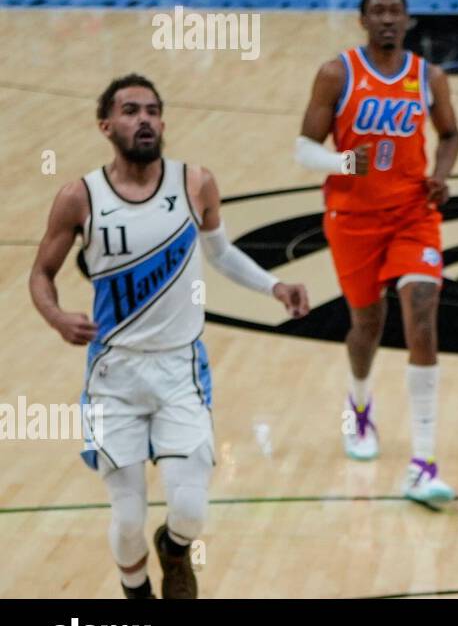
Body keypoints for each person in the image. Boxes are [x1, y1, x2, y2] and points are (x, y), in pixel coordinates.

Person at [29, 75, 309, 598]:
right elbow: (40, 273)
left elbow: (221, 252)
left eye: (154, 110)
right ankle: (137, 596)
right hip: (114, 374)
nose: (145, 120)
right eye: (131, 110)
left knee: (189, 511)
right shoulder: (79, 197)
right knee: (128, 516)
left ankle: (175, 550)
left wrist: (275, 286)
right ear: (106, 125)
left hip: (181, 368)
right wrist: (56, 316)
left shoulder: (194, 182)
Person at [294, 0, 458, 507]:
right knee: (367, 322)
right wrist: (342, 162)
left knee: (422, 314)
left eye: (396, 11)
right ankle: (360, 405)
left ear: (408, 19)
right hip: (352, 217)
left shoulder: (428, 77)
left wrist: (441, 174)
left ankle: (424, 462)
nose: (388, 18)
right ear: (362, 20)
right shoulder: (336, 74)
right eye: (377, 11)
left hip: (413, 215)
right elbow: (303, 148)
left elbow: (450, 135)